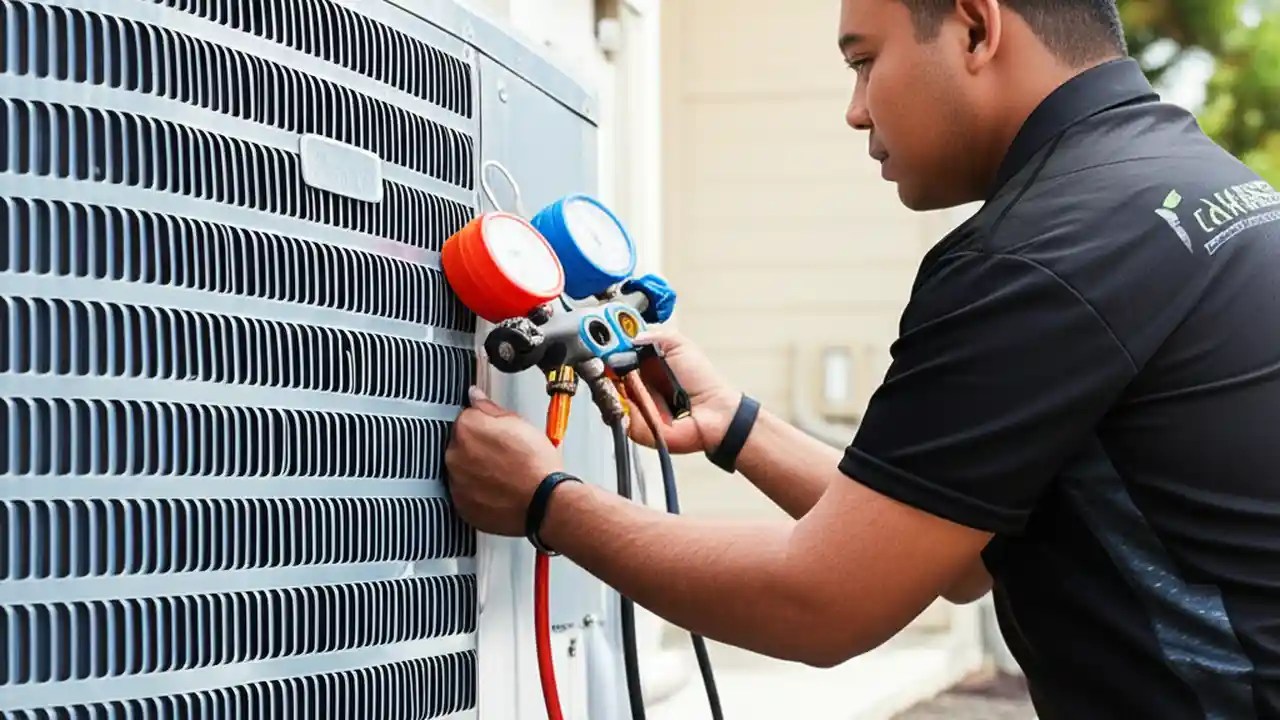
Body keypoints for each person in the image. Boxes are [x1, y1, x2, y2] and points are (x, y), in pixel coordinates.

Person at [445, 0, 1280, 716]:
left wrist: (544, 501)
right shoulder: (1201, 186)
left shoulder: (1038, 254)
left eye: (865, 61)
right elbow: (951, 561)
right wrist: (738, 427)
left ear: (976, 27)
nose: (855, 109)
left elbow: (819, 601)